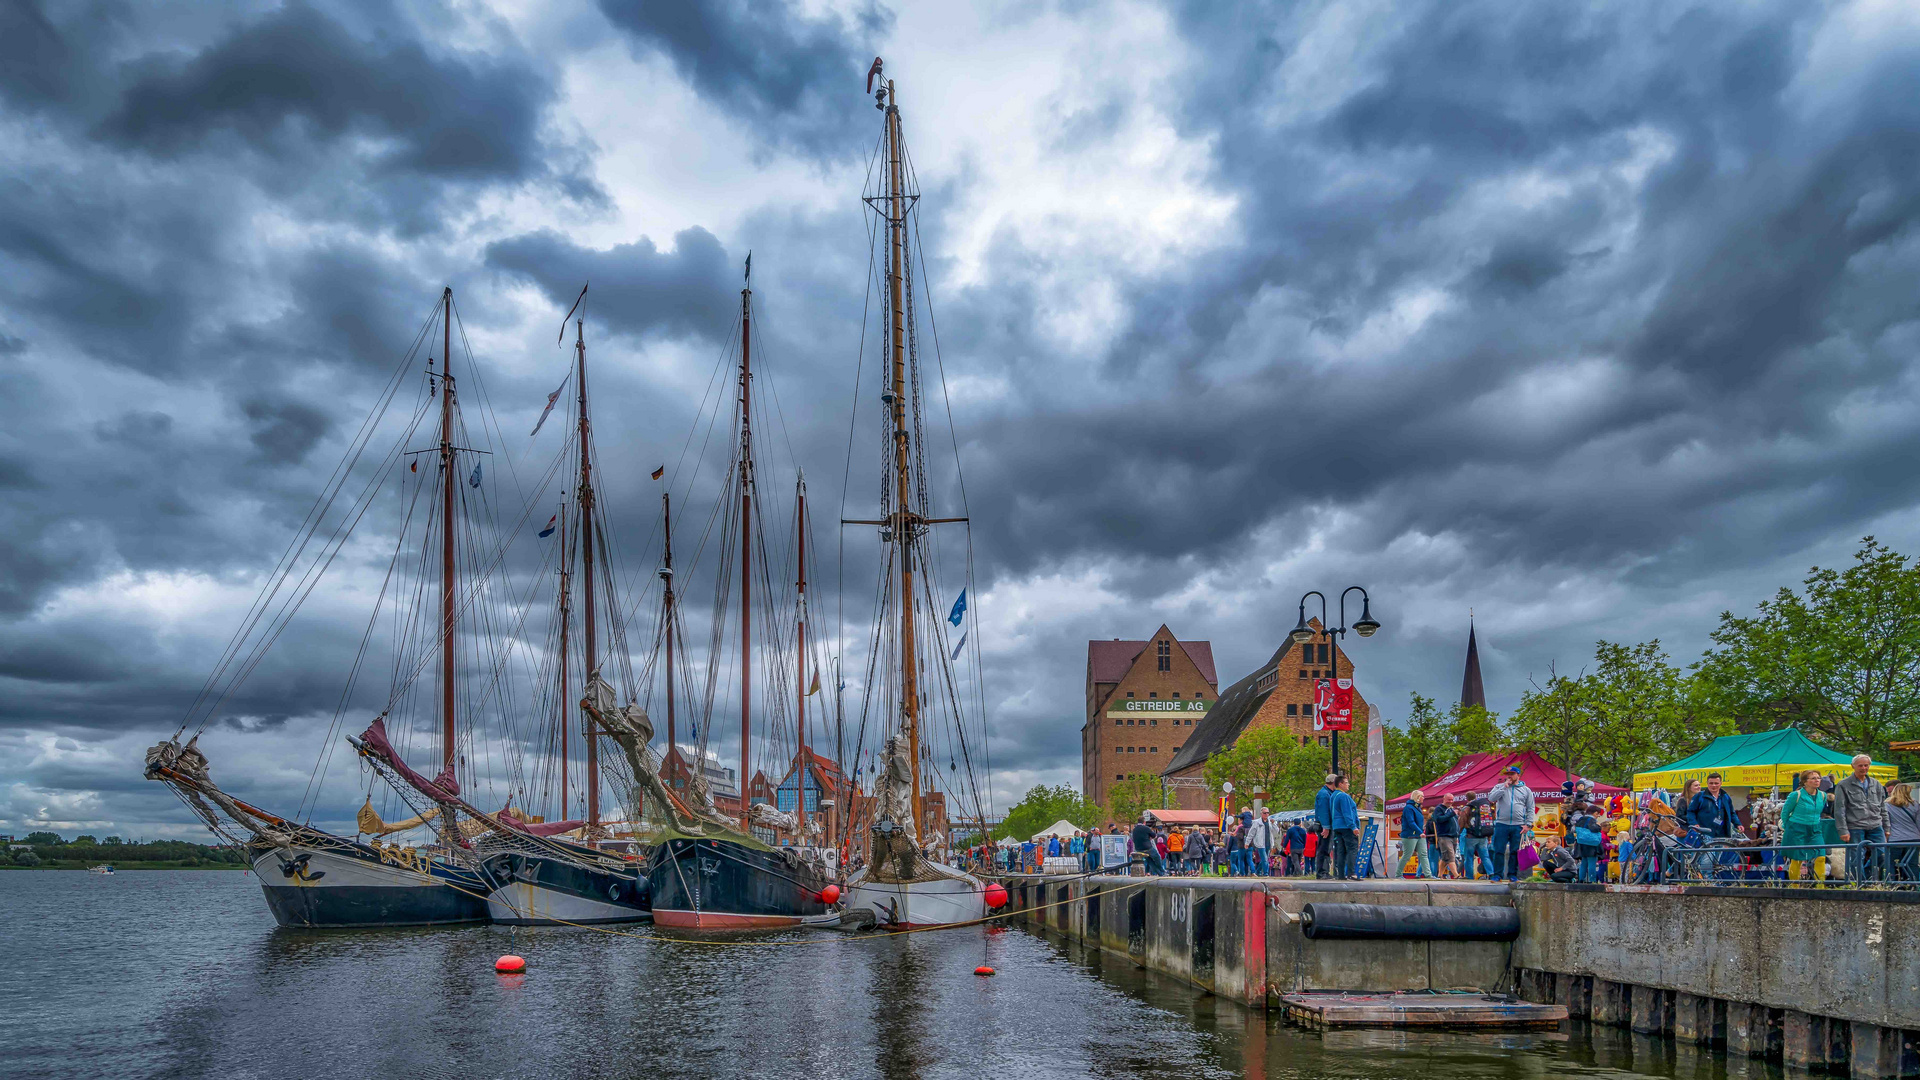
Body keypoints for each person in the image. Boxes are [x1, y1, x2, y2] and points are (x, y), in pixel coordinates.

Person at [1834, 754, 1891, 883]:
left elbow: (1883, 807)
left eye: (1866, 765)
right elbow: (1839, 809)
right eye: (1860, 765)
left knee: (1881, 854)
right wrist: (1843, 830)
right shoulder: (1844, 785)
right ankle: (1857, 884)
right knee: (1856, 856)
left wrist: (1887, 827)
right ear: (1853, 766)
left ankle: (1869, 878)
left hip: (1876, 825)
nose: (1864, 768)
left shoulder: (1876, 784)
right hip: (1855, 826)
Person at [1783, 768, 1830, 883]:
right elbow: (1785, 813)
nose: (1817, 780)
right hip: (1797, 828)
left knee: (1821, 857)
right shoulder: (1796, 795)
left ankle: (1820, 887)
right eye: (1813, 778)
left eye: (1818, 778)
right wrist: (1788, 827)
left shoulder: (1823, 795)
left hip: (1815, 828)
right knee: (1797, 859)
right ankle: (1794, 887)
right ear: (1805, 782)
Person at [1490, 764, 1535, 881]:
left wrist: (1528, 824)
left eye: (1512, 774)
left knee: (1515, 851)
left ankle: (1512, 875)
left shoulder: (1526, 790)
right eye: (1507, 774)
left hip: (1518, 824)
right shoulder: (1499, 787)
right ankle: (1497, 875)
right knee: (1499, 850)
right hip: (1501, 823)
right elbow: (1491, 798)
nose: (1509, 776)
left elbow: (1530, 807)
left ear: (1518, 775)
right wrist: (1504, 787)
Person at [1885, 783, 1919, 883]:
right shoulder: (1915, 804)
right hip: (1914, 839)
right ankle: (1914, 885)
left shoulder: (1887, 805)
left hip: (1896, 839)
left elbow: (1887, 823)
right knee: (1912, 864)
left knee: (1892, 864)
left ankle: (1893, 884)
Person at [1328, 775, 1360, 879]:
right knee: (1352, 849)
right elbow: (1347, 813)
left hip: (1337, 827)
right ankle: (1352, 873)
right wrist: (1353, 826)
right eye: (1346, 783)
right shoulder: (1344, 796)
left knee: (1340, 850)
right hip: (1346, 826)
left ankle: (1340, 874)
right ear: (1340, 784)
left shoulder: (1333, 796)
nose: (1348, 785)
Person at [1462, 790, 1495, 880]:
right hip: (1483, 836)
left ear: (1467, 798)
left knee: (1469, 857)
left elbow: (1462, 820)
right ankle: (1491, 873)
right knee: (1485, 856)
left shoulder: (1468, 807)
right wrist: (1489, 837)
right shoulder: (1483, 807)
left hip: (1471, 836)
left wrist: (1459, 831)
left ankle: (1469, 876)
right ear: (1475, 796)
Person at [1570, 804, 1605, 883]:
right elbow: (1594, 829)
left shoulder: (1581, 819)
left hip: (1582, 844)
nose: (1598, 816)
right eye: (1597, 814)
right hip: (1591, 845)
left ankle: (1581, 879)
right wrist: (1599, 826)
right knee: (1592, 863)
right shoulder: (1591, 820)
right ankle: (1592, 880)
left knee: (1584, 863)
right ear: (1594, 813)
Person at [1313, 774, 1339, 879]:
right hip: (1324, 826)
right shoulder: (1324, 794)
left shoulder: (1326, 793)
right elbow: (1323, 812)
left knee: (1326, 849)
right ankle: (1322, 872)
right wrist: (1326, 827)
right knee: (1324, 849)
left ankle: (1324, 871)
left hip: (1324, 825)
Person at [1400, 791, 1430, 879]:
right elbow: (1411, 822)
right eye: (1422, 796)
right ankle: (1398, 874)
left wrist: (1420, 831)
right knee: (1407, 855)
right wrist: (1420, 832)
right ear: (1417, 797)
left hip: (1418, 834)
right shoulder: (1409, 808)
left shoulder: (1417, 808)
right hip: (1410, 835)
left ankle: (1428, 874)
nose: (1424, 798)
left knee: (1423, 854)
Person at [1432, 796, 1461, 879]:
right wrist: (1451, 814)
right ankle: (1456, 875)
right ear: (1444, 799)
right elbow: (1439, 819)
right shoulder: (1439, 809)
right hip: (1444, 835)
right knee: (1450, 855)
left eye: (1452, 800)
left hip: (1453, 836)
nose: (1451, 801)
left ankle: (1439, 875)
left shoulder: (1451, 809)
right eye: (1449, 799)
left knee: (1445, 857)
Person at [1250, 807, 1274, 876]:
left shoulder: (1270, 822)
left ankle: (1257, 871)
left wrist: (1274, 823)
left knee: (1264, 859)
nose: (1266, 814)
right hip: (1260, 844)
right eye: (1264, 813)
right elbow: (1251, 833)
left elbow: (1276, 831)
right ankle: (1266, 873)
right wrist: (1247, 842)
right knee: (1265, 859)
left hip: (1268, 843)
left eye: (1267, 813)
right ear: (1261, 814)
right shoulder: (1257, 822)